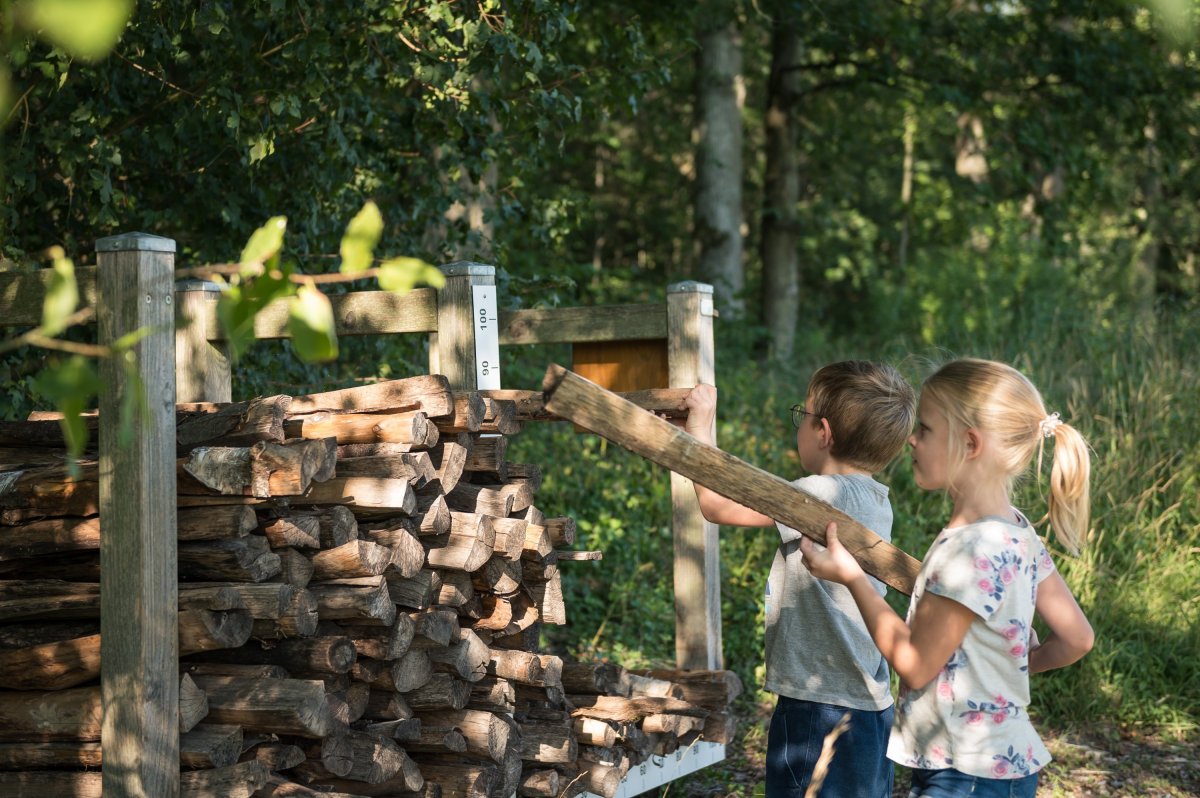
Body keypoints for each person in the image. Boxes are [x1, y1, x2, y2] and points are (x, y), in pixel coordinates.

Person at [799, 358, 1095, 798]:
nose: (913, 439)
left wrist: (851, 577)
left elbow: (915, 664)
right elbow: (1077, 639)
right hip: (1009, 765)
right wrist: (1019, 663)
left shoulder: (967, 550)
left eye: (926, 428)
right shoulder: (1018, 531)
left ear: (970, 444)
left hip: (963, 772)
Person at [684, 360, 917, 798]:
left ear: (823, 432)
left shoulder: (822, 494)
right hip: (869, 706)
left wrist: (700, 428)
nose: (800, 424)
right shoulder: (875, 498)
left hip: (820, 706)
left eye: (802, 415)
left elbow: (716, 504)